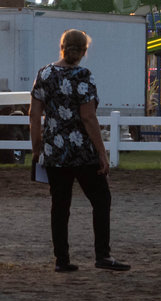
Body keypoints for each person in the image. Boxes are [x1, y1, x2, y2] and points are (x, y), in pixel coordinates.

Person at [30, 28, 129, 272]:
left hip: (55, 152)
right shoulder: (84, 76)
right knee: (101, 200)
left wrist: (37, 149)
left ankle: (62, 260)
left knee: (60, 206)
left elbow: (34, 115)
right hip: (82, 152)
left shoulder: (44, 74)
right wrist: (102, 153)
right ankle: (102, 255)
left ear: (61, 47)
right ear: (84, 51)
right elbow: (88, 117)